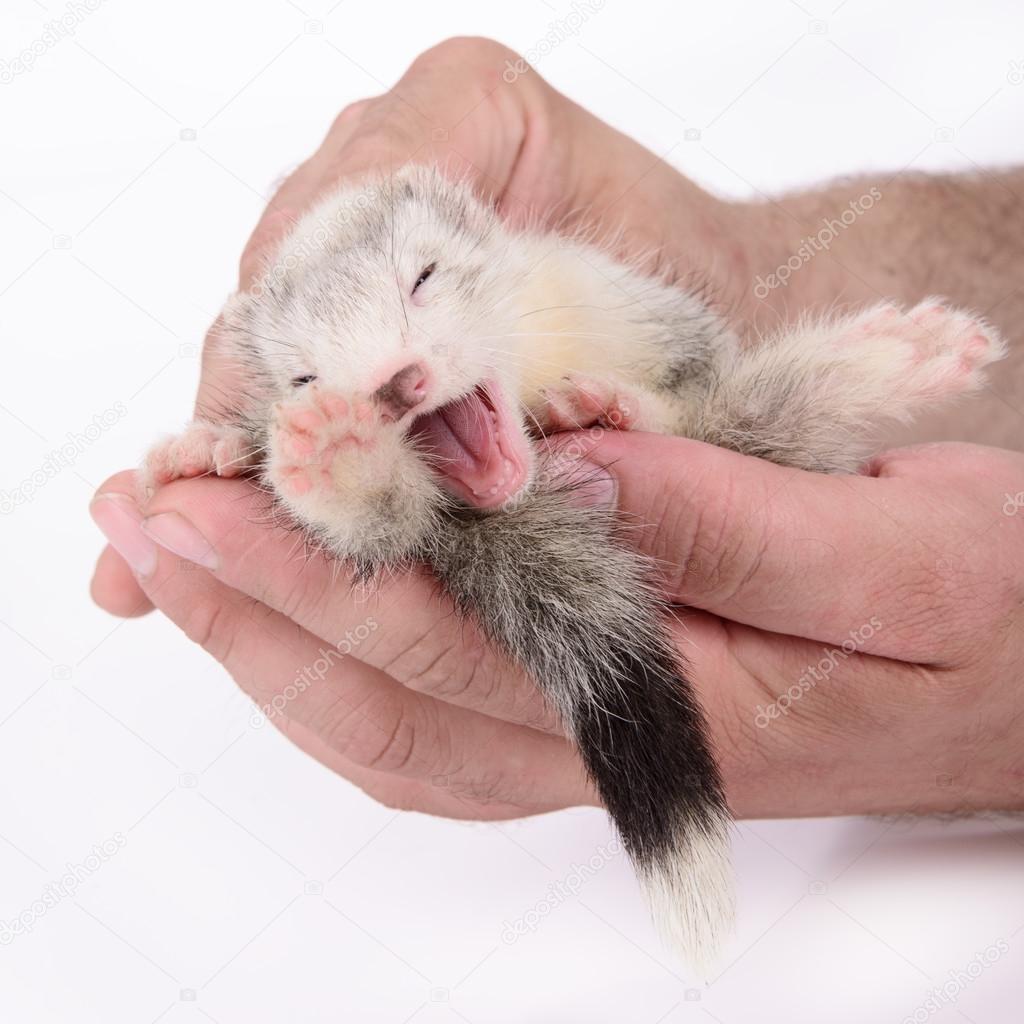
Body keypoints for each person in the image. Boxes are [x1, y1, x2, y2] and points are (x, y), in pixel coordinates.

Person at [90, 38, 1024, 819]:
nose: (394, 374)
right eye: (304, 374)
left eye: (419, 288)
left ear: (473, 227)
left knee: (726, 423)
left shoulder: (565, 284)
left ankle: (823, 383)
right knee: (408, 524)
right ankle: (350, 482)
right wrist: (243, 453)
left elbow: (703, 360)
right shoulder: (372, 404)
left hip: (682, 416)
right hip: (449, 505)